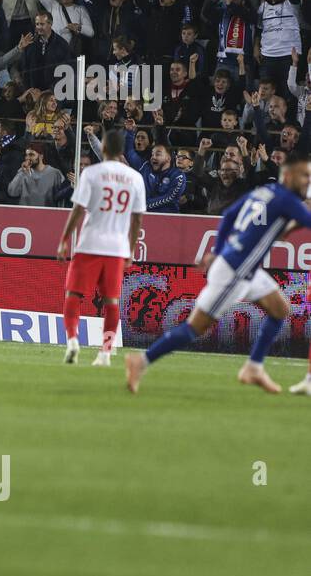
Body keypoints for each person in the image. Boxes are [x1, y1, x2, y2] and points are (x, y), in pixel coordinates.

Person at [125, 152, 311, 394]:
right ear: (288, 175)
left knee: (280, 309)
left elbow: (230, 216)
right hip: (236, 273)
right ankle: (141, 361)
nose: (308, 180)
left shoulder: (264, 192)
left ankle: (254, 367)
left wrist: (217, 250)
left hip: (244, 267)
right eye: (304, 175)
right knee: (196, 327)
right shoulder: (288, 200)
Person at [55, 130, 146, 367]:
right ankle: (105, 352)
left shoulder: (92, 173)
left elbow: (78, 210)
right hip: (116, 248)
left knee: (73, 295)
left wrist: (64, 239)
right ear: (122, 150)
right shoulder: (135, 178)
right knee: (111, 301)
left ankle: (73, 340)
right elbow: (137, 220)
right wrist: (131, 249)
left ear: (103, 147)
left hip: (90, 244)